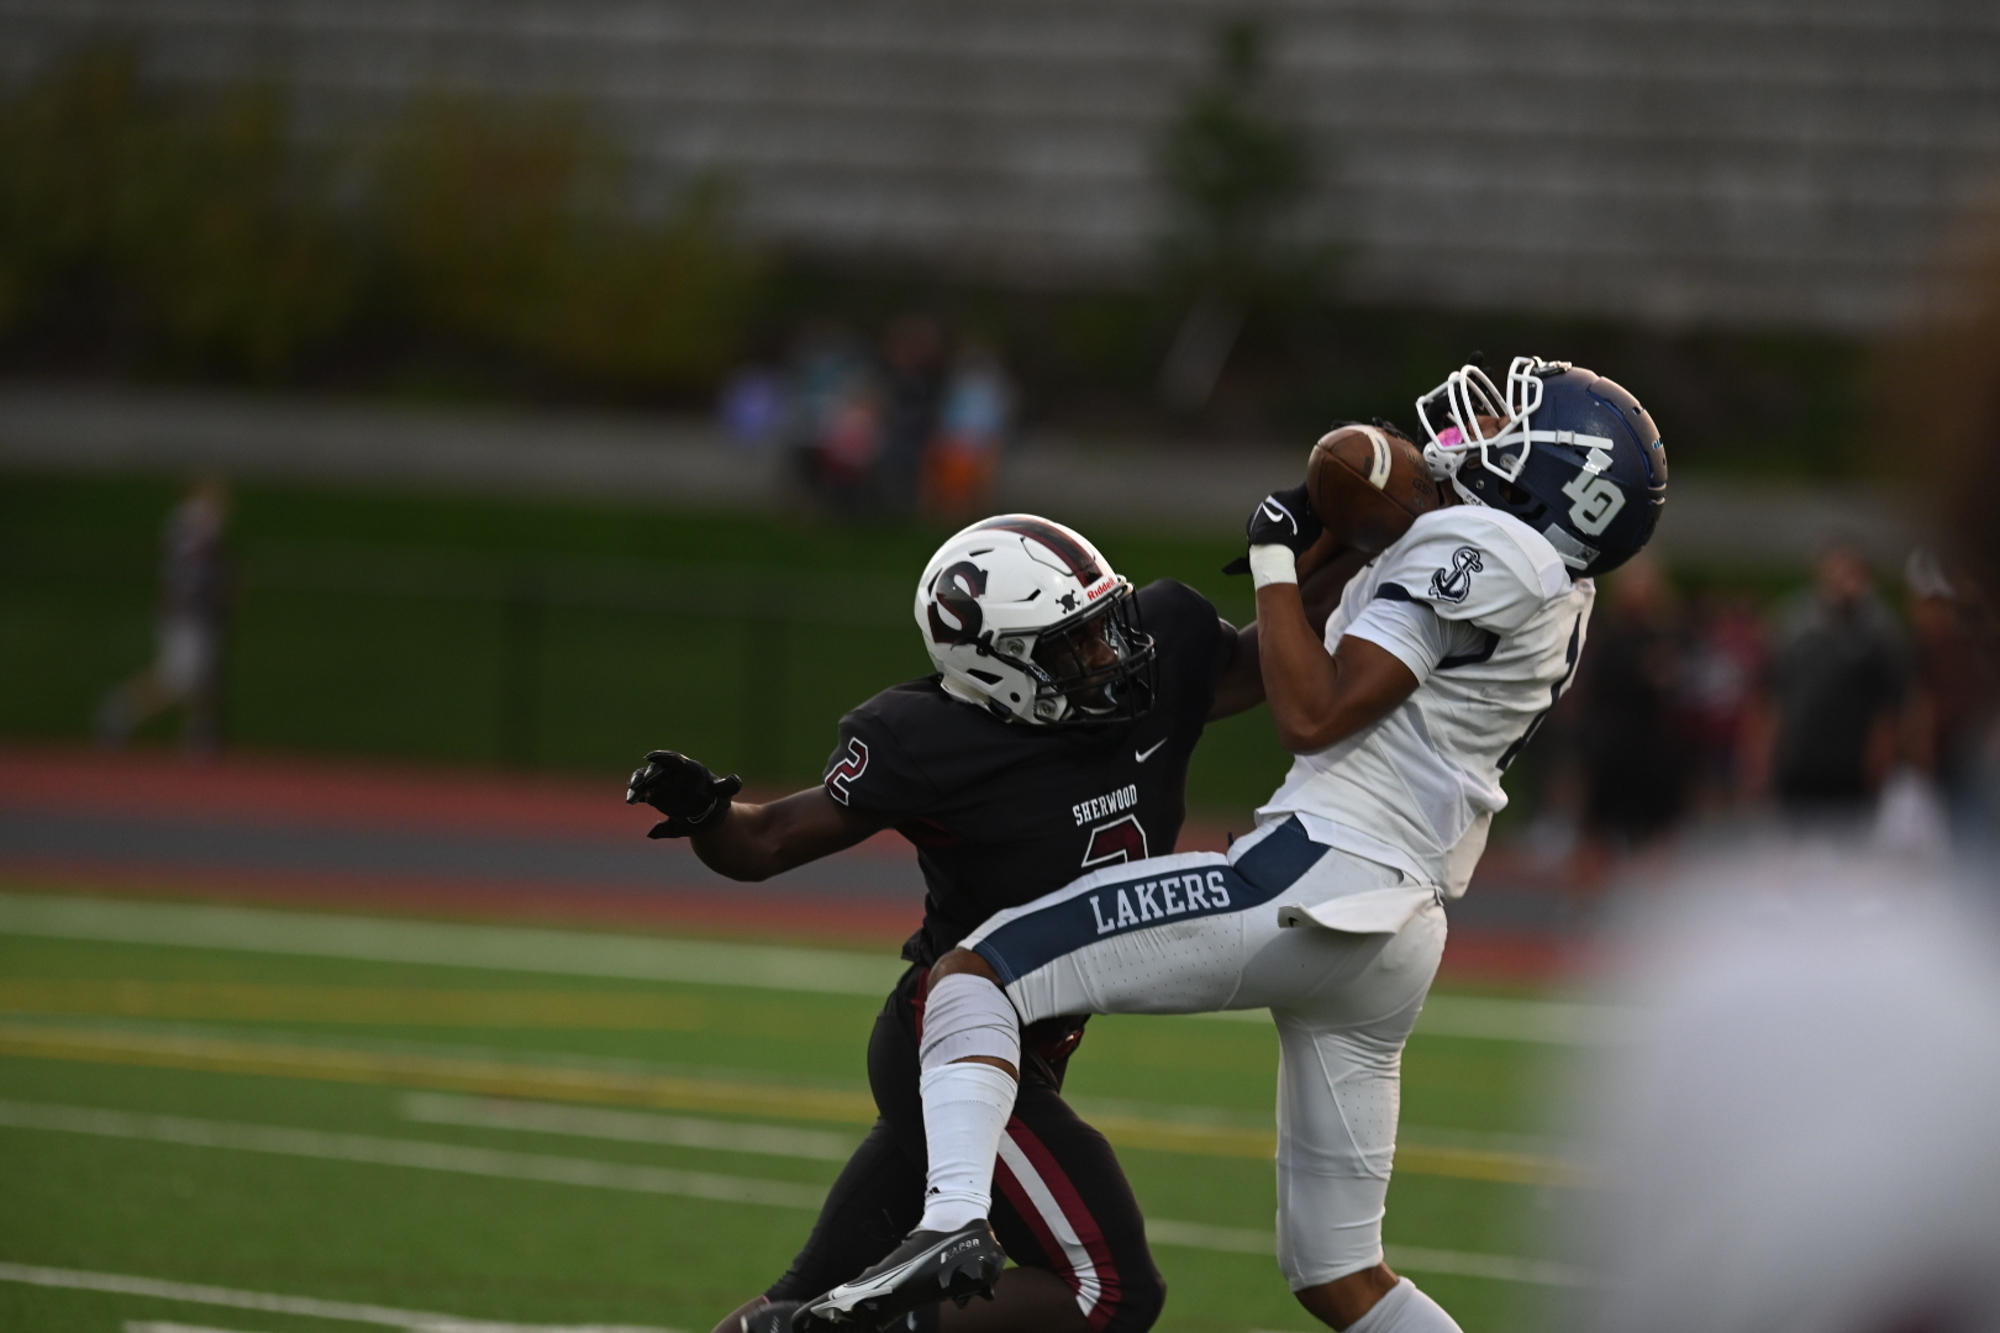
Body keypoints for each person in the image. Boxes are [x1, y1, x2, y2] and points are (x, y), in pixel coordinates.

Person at [808, 358, 1667, 1333]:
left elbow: (1311, 711)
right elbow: (1327, 630)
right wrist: (1332, 528)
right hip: (1398, 924)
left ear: (1559, 471)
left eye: (1514, 420)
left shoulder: (1486, 543)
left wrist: (1269, 553)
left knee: (972, 972)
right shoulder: (1552, 581)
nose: (1480, 427)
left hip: (1318, 875)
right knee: (1339, 1275)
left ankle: (952, 1221)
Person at [627, 513, 1340, 1333]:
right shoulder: (930, 740)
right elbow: (771, 839)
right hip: (951, 1035)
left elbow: (1291, 640)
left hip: (1027, 1048)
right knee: (1110, 1290)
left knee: (807, 1294)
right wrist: (711, 814)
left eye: (1107, 628)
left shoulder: (1156, 656)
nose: (1111, 657)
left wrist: (1362, 536)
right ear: (993, 667)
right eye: (1076, 647)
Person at [1753, 538, 1912, 829]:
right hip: (1798, 765)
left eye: (1851, 571)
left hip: (1854, 771)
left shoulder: (1881, 632)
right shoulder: (1795, 623)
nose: (1842, 579)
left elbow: (1891, 708)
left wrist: (1881, 763)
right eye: (1835, 569)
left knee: (1852, 857)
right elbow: (1773, 695)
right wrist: (1763, 757)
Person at [95, 475, 233, 753]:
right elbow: (197, 571)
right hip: (186, 612)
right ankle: (121, 708)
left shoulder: (188, 523)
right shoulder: (195, 521)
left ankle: (201, 737)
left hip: (192, 611)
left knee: (203, 676)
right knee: (178, 678)